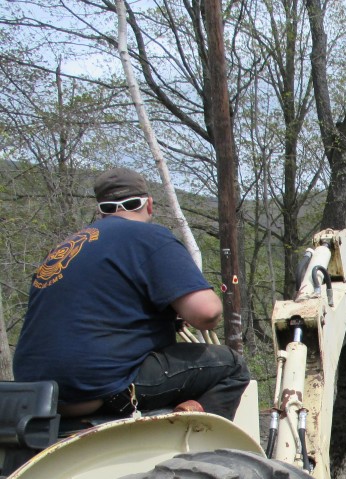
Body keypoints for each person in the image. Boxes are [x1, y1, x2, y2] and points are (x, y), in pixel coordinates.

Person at [13, 167, 250, 420]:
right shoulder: (149, 236)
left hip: (35, 391)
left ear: (101, 209)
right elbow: (206, 313)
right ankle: (200, 446)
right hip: (96, 386)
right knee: (232, 366)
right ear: (149, 205)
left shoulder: (68, 247)